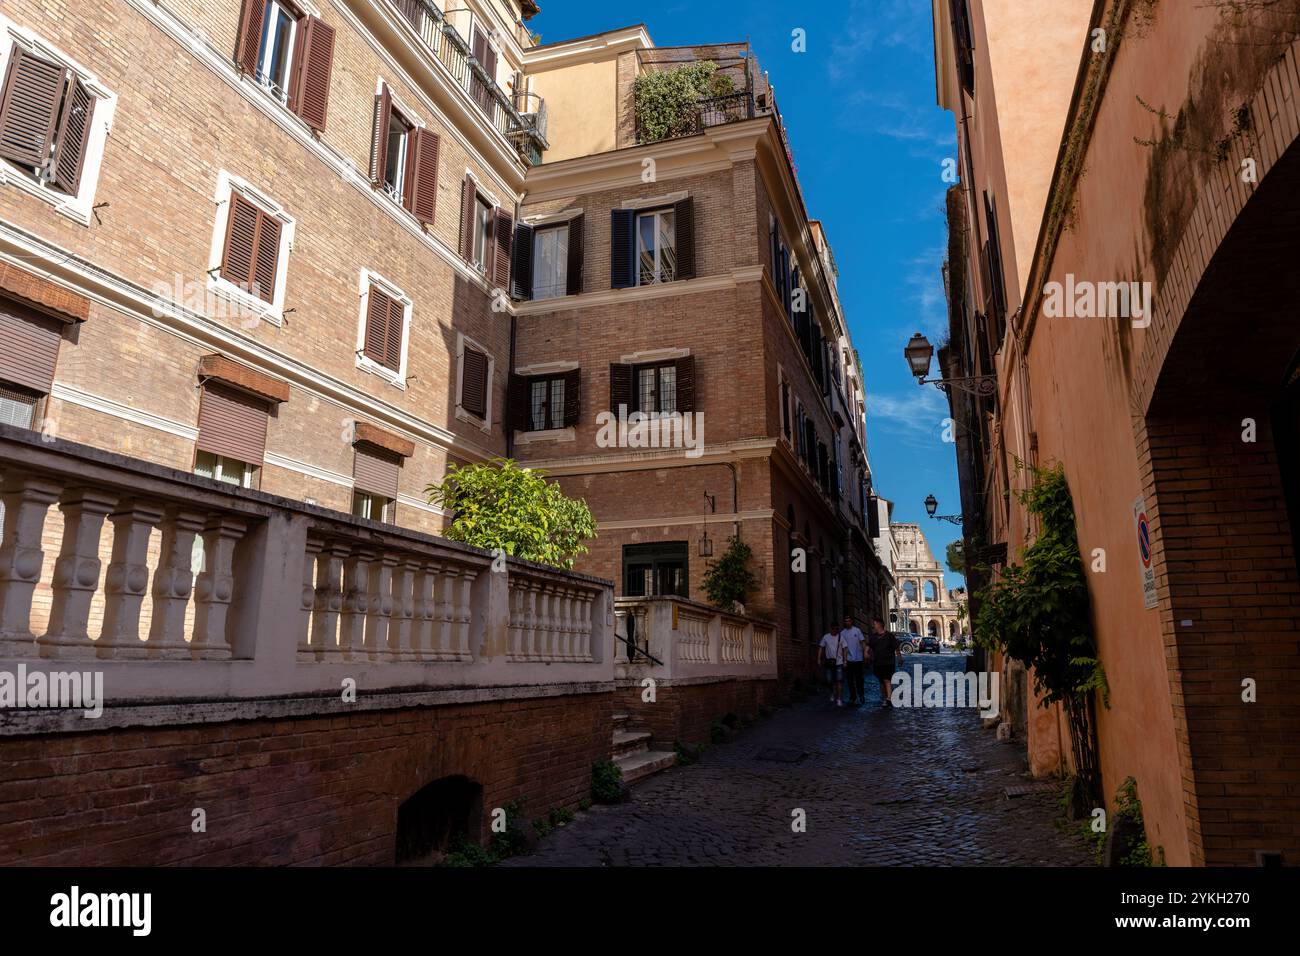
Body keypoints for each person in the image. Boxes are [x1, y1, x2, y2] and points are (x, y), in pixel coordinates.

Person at [867, 616, 902, 708]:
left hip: (888, 662)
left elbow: (896, 647)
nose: (873, 626)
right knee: (881, 681)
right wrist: (865, 653)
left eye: (874, 624)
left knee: (887, 679)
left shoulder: (889, 636)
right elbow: (868, 646)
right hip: (877, 663)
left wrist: (899, 658)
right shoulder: (873, 637)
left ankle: (889, 699)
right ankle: (885, 697)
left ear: (879, 625)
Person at [839, 615, 867, 706]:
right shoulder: (842, 633)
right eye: (845, 621)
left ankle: (861, 695)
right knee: (850, 680)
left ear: (851, 621)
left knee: (859, 679)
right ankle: (853, 697)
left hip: (858, 659)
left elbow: (862, 642)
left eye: (848, 620)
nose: (847, 622)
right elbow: (841, 647)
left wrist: (865, 653)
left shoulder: (857, 630)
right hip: (848, 660)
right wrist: (843, 660)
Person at [818, 624, 846, 707]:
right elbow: (821, 647)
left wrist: (845, 661)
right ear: (831, 629)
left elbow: (845, 649)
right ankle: (832, 693)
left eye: (837, 629)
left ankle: (839, 699)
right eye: (834, 629)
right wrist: (818, 658)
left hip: (839, 663)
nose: (835, 631)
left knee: (839, 681)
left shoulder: (841, 637)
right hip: (829, 662)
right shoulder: (826, 637)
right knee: (829, 680)